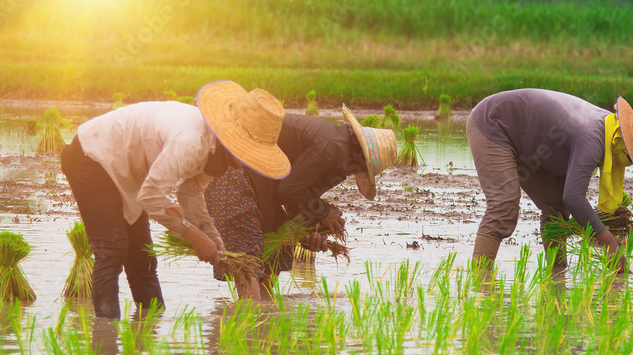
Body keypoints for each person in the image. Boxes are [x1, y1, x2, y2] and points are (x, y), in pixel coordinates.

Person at [60, 81, 290, 318]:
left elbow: (190, 193)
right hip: (93, 156)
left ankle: (147, 334)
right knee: (113, 249)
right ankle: (105, 340)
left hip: (128, 171)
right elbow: (150, 196)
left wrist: (211, 234)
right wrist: (194, 236)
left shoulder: (217, 152)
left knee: (144, 257)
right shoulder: (191, 141)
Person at [466, 89, 633, 273]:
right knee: (504, 206)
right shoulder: (593, 137)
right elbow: (574, 197)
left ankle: (557, 275)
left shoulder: (608, 127)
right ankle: (480, 280)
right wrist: (610, 244)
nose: (628, 164)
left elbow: (567, 199)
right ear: (623, 144)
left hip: (528, 143)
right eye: (631, 158)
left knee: (556, 210)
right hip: (493, 124)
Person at [204, 105, 397, 300]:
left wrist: (310, 230)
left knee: (278, 248)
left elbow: (294, 200)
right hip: (233, 174)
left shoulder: (341, 163)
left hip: (262, 188)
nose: (356, 173)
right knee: (247, 262)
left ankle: (264, 317)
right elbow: (290, 189)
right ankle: (251, 317)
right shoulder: (334, 146)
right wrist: (323, 212)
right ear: (360, 158)